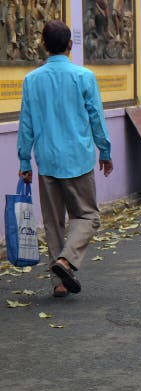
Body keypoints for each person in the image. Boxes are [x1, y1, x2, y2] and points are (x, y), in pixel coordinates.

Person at [17, 20, 113, 298]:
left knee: (53, 222)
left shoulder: (32, 80)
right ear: (70, 45)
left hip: (46, 160)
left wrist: (25, 162)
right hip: (78, 159)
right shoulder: (84, 77)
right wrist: (104, 152)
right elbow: (96, 117)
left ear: (44, 46)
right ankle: (66, 260)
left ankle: (59, 282)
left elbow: (26, 125)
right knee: (88, 215)